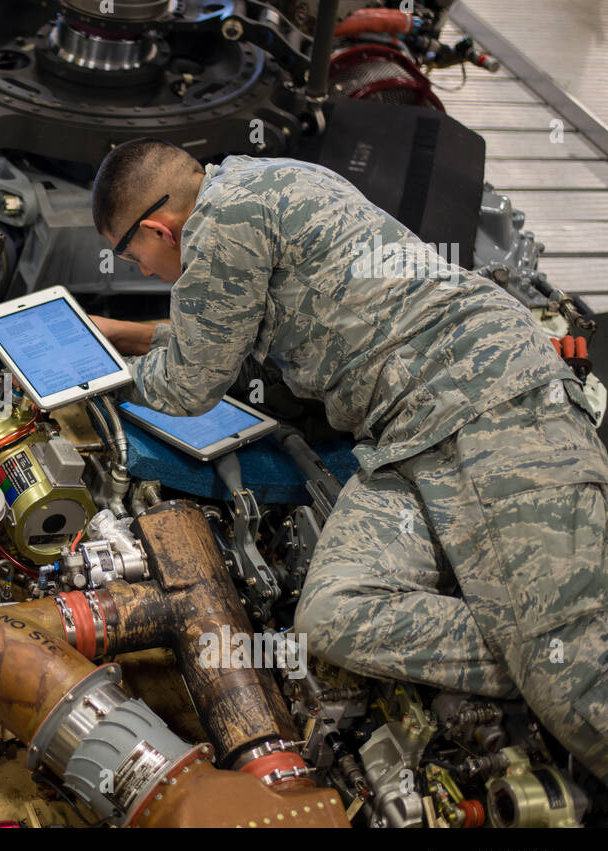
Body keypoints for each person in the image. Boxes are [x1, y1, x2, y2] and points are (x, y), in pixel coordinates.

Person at [88, 138, 608, 782]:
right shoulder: (264, 180)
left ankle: (554, 652)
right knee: (334, 612)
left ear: (159, 228)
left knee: (581, 699)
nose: (142, 271)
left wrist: (89, 379)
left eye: (132, 256)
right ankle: (542, 643)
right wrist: (117, 333)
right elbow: (223, 333)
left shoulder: (222, 225)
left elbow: (186, 385)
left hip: (491, 400)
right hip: (405, 438)